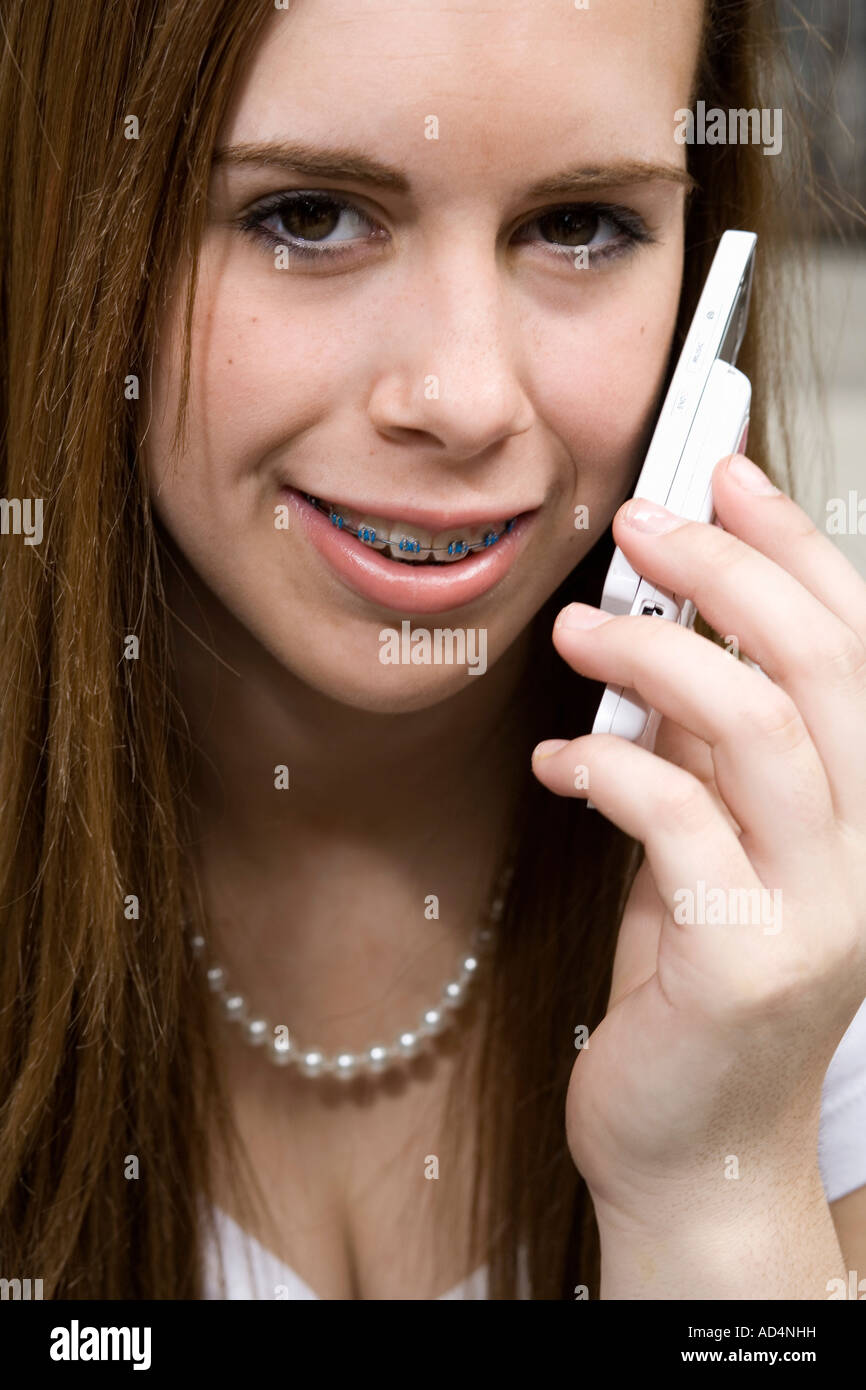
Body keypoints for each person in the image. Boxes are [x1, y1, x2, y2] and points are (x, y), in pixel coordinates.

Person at [1, 0, 864, 1301]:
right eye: (306, 215)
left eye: (579, 226)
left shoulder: (806, 910)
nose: (466, 399)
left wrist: (713, 1194)